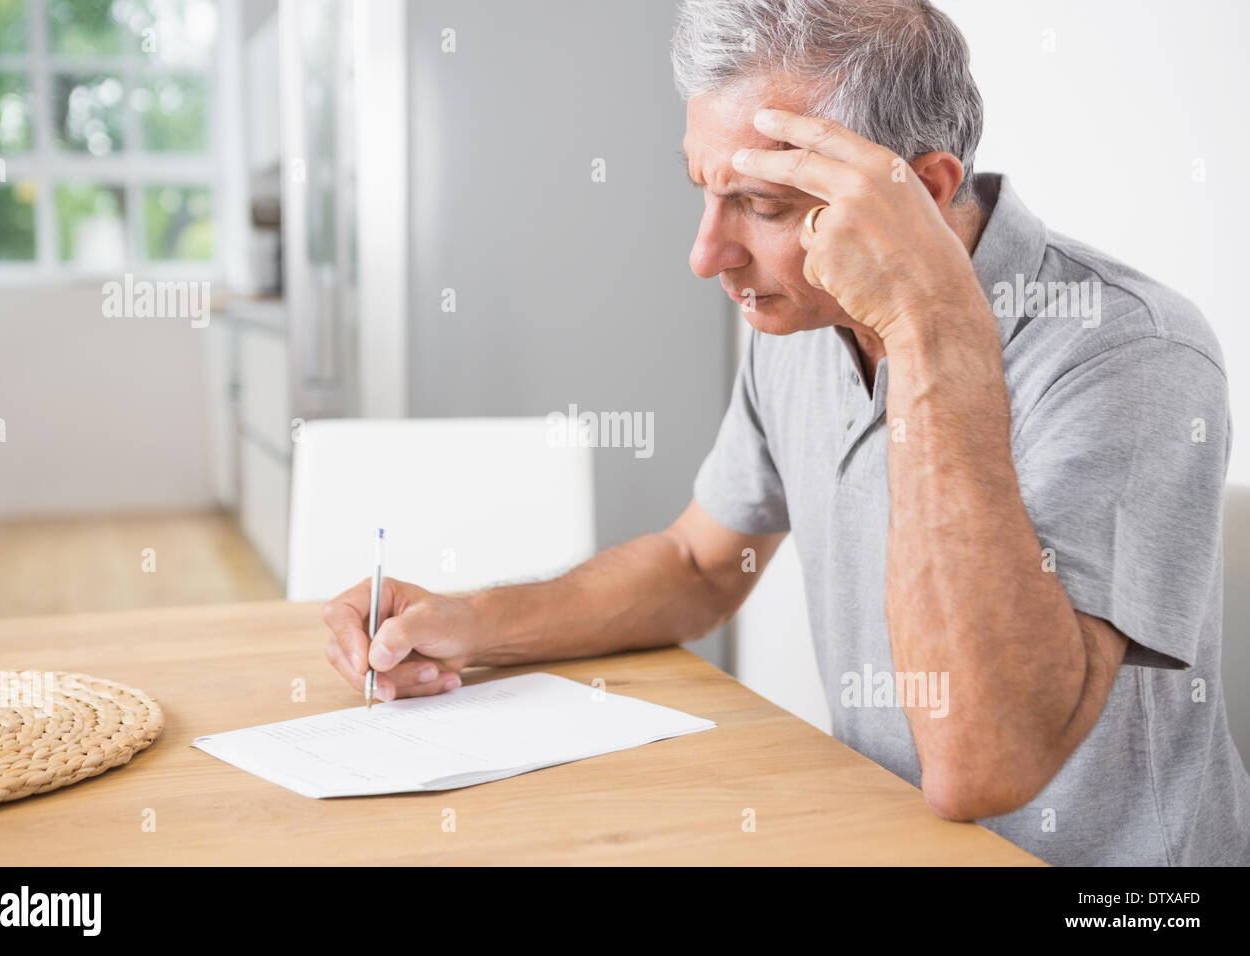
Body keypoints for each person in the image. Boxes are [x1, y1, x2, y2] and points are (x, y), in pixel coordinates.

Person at [323, 0, 1249, 865]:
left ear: (921, 195)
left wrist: (928, 321)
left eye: (763, 207)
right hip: (891, 838)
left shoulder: (1135, 354)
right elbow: (697, 568)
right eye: (705, 192)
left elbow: (984, 764)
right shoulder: (804, 317)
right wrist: (470, 626)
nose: (705, 255)